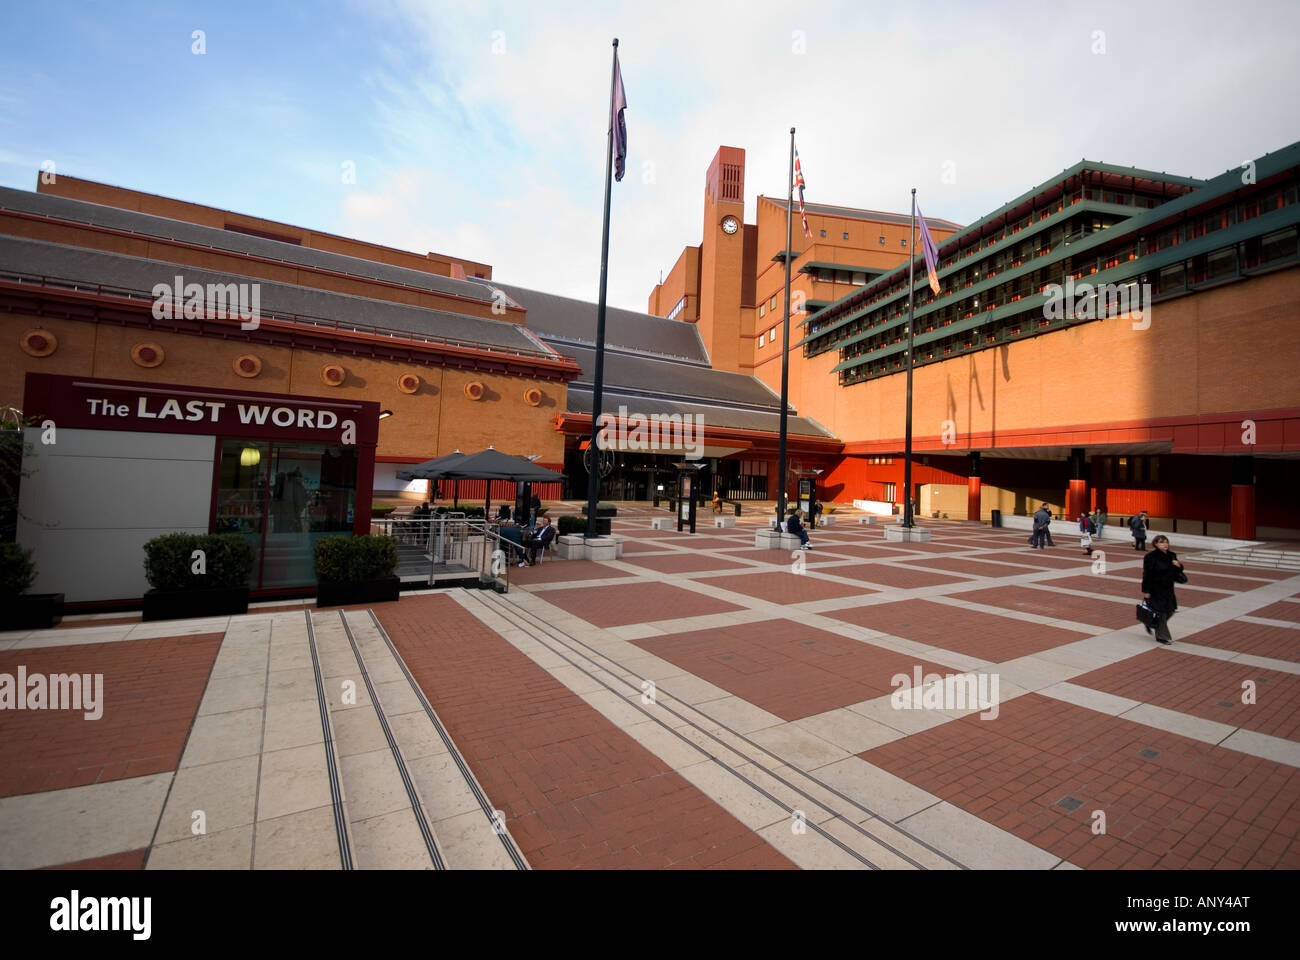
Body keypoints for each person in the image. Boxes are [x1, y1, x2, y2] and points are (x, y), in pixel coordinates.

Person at [1141, 534, 1184, 645]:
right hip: (1155, 588)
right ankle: (1162, 636)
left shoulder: (1171, 555)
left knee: (1171, 610)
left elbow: (1177, 571)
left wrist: (1179, 565)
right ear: (1155, 544)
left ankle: (1151, 623)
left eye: (1166, 542)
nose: (1165, 544)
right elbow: (1147, 574)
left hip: (1168, 588)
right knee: (1161, 613)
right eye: (1161, 542)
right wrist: (1146, 590)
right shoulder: (1151, 557)